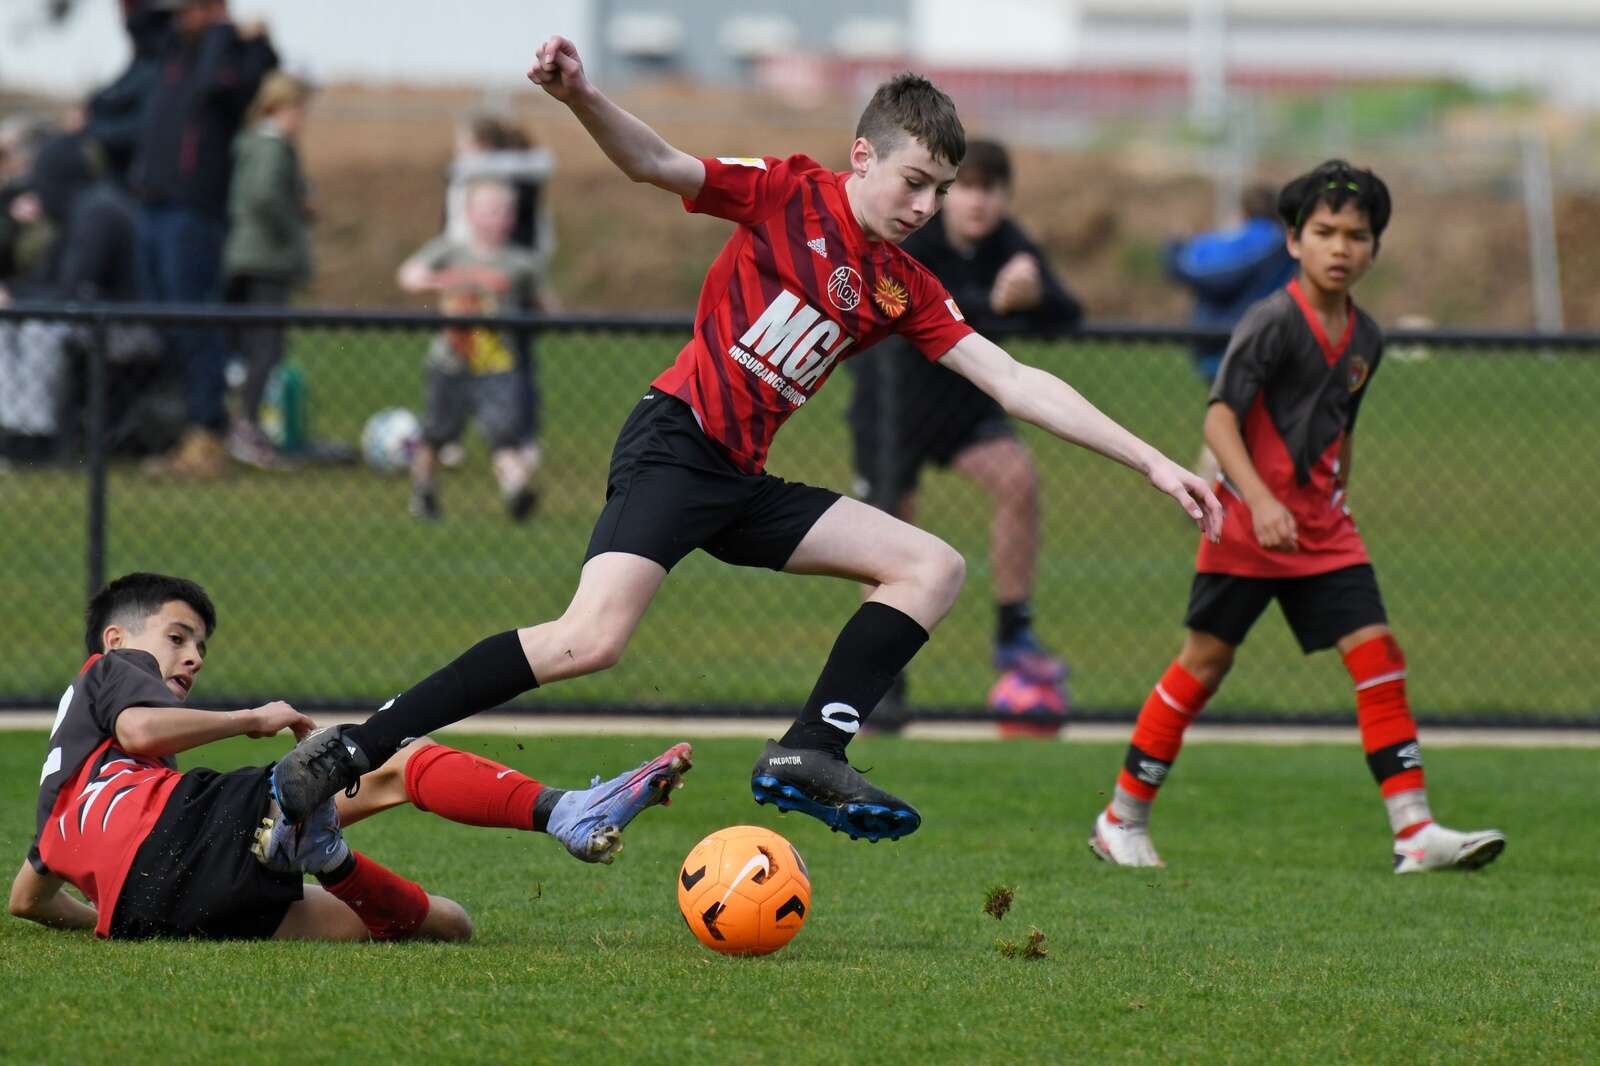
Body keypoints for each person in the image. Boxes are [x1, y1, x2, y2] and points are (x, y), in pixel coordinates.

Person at [268, 35, 1221, 847]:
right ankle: (358, 745)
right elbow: (658, 164)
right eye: (914, 181)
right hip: (675, 444)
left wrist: (1150, 458)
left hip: (741, 479)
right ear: (862, 156)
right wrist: (581, 96)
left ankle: (813, 749)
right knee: (588, 640)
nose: (927, 205)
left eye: (941, 189)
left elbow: (1013, 379)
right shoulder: (785, 192)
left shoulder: (902, 286)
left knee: (931, 566)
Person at [1088, 161, 1506, 874]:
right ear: (1292, 241)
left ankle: (1415, 831)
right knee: (1205, 663)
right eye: (1323, 232)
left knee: (1378, 655)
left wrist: (1335, 482)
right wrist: (1262, 498)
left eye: (1356, 235)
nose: (1340, 247)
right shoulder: (1271, 321)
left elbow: (1339, 424)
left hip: (1325, 531)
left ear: (1375, 247)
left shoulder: (1368, 338)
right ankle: (1120, 819)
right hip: (1250, 526)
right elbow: (1220, 419)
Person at [8, 572, 693, 940]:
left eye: (201, 648)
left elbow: (27, 900)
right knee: (388, 758)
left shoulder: (62, 797)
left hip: (158, 910)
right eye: (179, 637)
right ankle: (564, 811)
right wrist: (251, 717)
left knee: (447, 923)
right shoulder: (112, 666)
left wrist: (110, 922)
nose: (191, 657)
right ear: (118, 635)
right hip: (185, 835)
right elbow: (138, 731)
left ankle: (324, 854)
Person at [845, 139, 1082, 725]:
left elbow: (1067, 314)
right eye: (966, 188)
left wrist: (1034, 292)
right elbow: (909, 309)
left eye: (990, 189)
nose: (977, 202)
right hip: (891, 408)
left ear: (1004, 196)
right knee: (888, 538)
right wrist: (992, 302)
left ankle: (1013, 633)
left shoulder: (1010, 245)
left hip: (962, 408)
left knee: (1016, 478)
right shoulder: (915, 239)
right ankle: (879, 681)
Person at [131, 0, 277, 480]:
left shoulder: (239, 51)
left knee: (195, 319)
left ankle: (207, 430)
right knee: (163, 318)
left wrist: (219, 30)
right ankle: (185, 424)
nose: (179, 17)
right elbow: (138, 20)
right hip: (152, 204)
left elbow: (221, 86)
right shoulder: (171, 47)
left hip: (193, 210)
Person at [397, 177, 546, 521]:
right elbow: (409, 275)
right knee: (437, 433)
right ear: (469, 214)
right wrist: (450, 282)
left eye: (505, 212)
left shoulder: (519, 262)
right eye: (489, 211)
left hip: (497, 363)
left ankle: (516, 491)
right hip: (449, 362)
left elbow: (542, 299)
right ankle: (424, 492)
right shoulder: (450, 250)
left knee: (503, 435)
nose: (498, 219)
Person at [222, 71, 316, 469]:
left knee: (253, 346)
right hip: (266, 259)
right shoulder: (273, 147)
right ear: (280, 107)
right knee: (266, 348)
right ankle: (246, 427)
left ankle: (241, 422)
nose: (302, 119)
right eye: (298, 110)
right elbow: (264, 195)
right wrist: (293, 218)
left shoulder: (250, 143)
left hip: (246, 255)